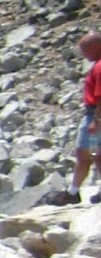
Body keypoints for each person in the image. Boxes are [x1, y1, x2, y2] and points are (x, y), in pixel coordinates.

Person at [49, 29, 101, 205]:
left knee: (85, 153)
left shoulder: (100, 67)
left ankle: (73, 192)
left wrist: (96, 120)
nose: (83, 54)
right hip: (95, 115)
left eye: (85, 49)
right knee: (96, 153)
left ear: (96, 46)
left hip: (94, 116)